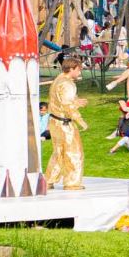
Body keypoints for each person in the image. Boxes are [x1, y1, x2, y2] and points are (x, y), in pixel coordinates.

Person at [46, 58, 89, 190]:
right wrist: (80, 121)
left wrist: (76, 102)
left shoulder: (59, 80)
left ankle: (48, 180)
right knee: (74, 152)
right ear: (71, 69)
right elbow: (67, 106)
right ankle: (72, 182)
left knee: (58, 152)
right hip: (64, 123)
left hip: (54, 120)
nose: (79, 71)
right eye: (78, 69)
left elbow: (61, 100)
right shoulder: (68, 84)